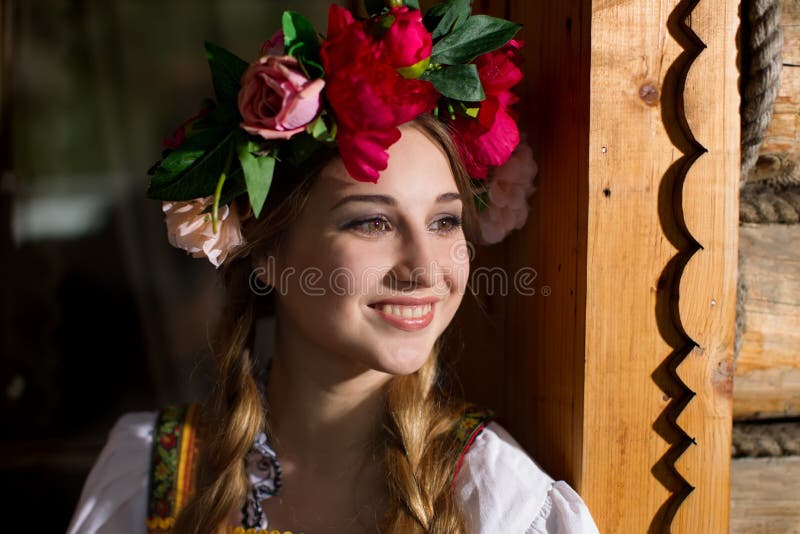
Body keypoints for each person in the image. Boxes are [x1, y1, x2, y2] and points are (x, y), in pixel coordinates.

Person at [68, 2, 600, 533]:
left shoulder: (496, 500)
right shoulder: (154, 474)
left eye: (444, 221)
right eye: (373, 223)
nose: (424, 269)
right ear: (267, 253)